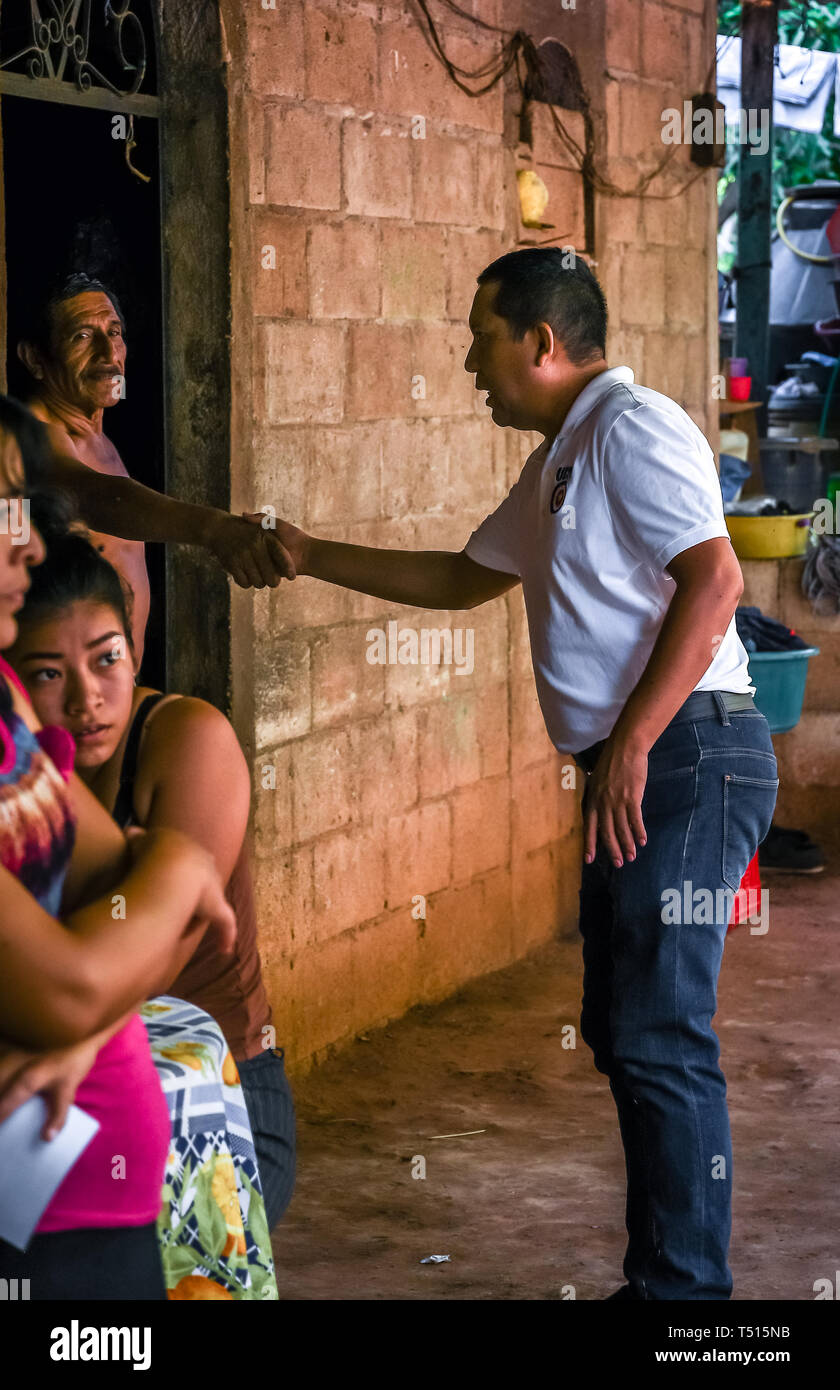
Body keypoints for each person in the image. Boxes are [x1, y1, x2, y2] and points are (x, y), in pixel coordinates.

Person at [256, 248, 778, 1300]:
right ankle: (668, 1278)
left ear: (542, 343)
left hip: (688, 755)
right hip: (652, 760)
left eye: (481, 336)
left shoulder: (630, 431)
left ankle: (687, 1298)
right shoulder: (563, 459)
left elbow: (716, 579)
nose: (466, 361)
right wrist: (309, 554)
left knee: (659, 1031)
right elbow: (460, 576)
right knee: (630, 1031)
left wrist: (628, 743)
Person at [0, 394, 237, 1299]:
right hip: (31, 1217)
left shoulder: (9, 711)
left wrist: (96, 995)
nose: (28, 545)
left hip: (97, 1209)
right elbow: (73, 983)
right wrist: (175, 866)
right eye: (4, 510)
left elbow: (109, 874)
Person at [9, 531, 296, 1230]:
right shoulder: (26, 768)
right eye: (47, 673)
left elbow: (160, 945)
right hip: (73, 1069)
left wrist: (79, 1034)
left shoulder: (186, 736)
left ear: (135, 642)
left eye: (107, 659)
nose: (87, 698)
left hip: (218, 1094)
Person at [16, 272, 293, 666]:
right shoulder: (29, 434)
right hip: (61, 704)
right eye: (81, 336)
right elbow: (90, 495)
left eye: (114, 332)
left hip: (110, 696)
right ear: (35, 359)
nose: (108, 354)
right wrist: (215, 529)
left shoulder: (98, 438)